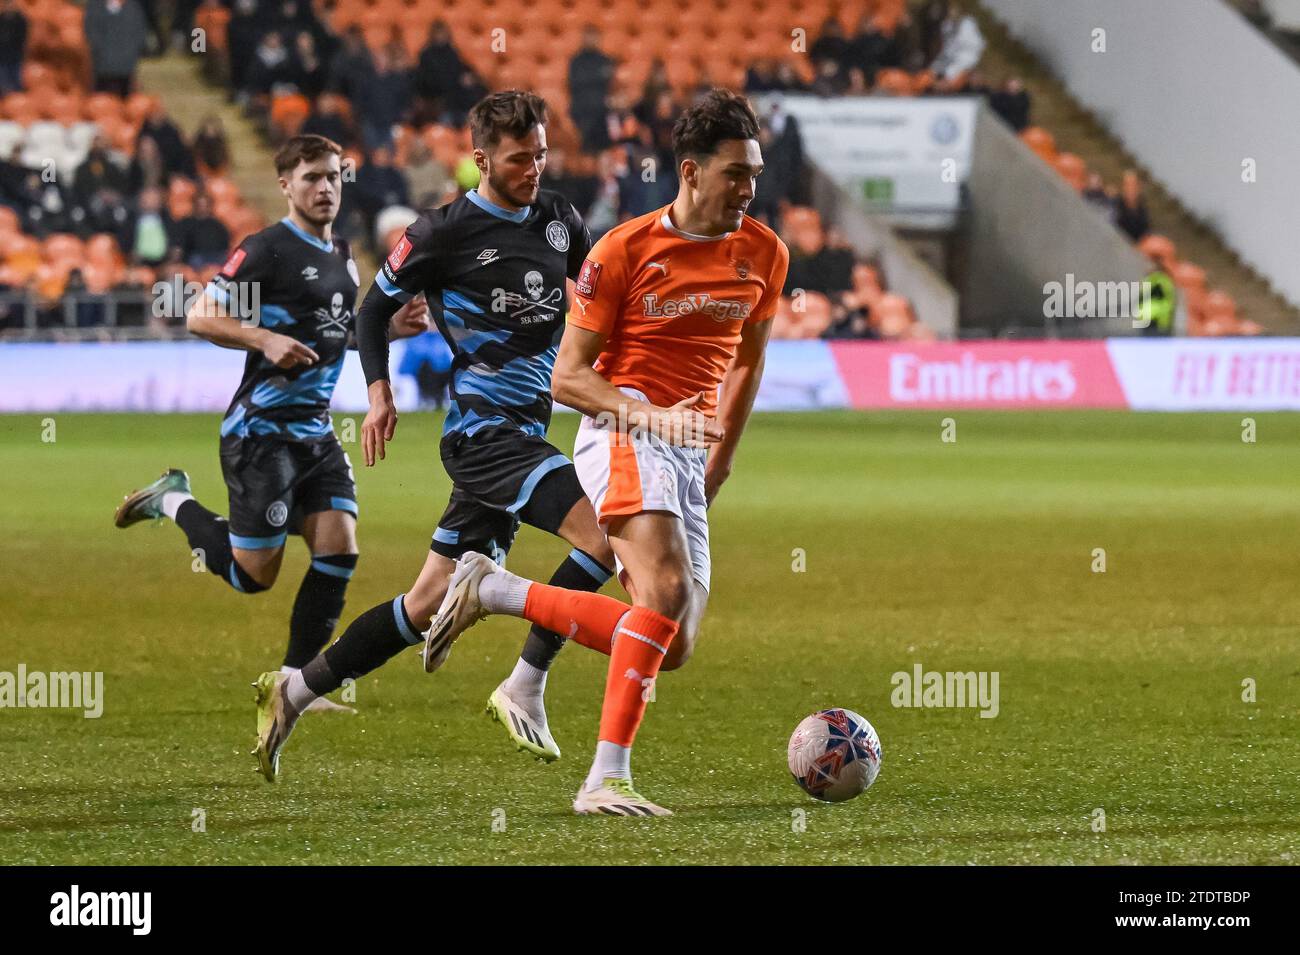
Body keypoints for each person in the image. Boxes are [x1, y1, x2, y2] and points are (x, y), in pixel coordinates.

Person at [422, 89, 789, 816]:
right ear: (690, 171)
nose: (747, 189)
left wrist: (723, 458)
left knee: (673, 641)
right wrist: (649, 416)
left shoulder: (764, 254)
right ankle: (604, 778)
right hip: (624, 428)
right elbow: (568, 377)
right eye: (733, 175)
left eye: (754, 174)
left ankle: (496, 589)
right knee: (665, 595)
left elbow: (748, 362)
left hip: (688, 451)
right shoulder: (624, 250)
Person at [250, 92, 617, 783]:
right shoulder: (440, 233)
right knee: (606, 537)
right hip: (486, 437)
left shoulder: (560, 219)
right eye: (519, 158)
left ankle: (292, 690)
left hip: (525, 432)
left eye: (540, 153)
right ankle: (525, 681)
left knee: (424, 604)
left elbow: (597, 305)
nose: (535, 167)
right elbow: (372, 310)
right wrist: (380, 393)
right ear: (480, 161)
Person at [113, 135, 429, 712]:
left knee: (339, 547)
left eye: (333, 176)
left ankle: (294, 684)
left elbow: (329, 338)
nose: (325, 187)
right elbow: (201, 315)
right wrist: (263, 337)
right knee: (253, 575)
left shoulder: (343, 256)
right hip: (260, 434)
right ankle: (173, 501)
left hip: (313, 433)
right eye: (311, 177)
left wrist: (382, 333)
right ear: (285, 184)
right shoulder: (267, 250)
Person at [85, 0, 149, 95]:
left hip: (126, 66)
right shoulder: (96, 7)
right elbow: (92, 33)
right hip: (102, 68)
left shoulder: (132, 7)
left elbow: (139, 34)